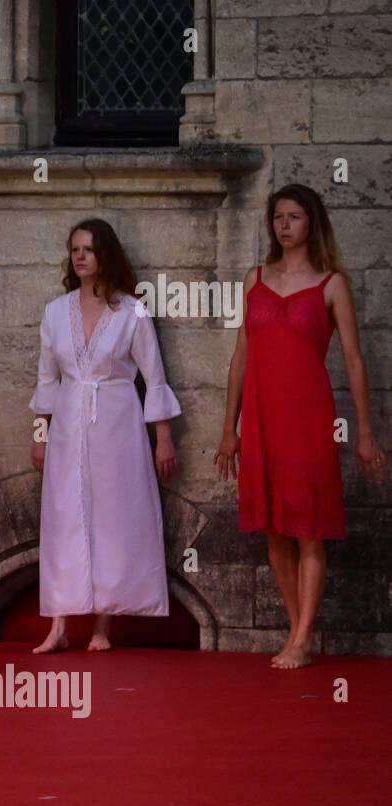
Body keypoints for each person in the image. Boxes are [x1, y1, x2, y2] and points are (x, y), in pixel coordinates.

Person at [215, 184, 386, 669]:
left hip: (309, 418)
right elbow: (240, 357)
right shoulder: (255, 279)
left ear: (313, 222)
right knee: (274, 529)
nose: (284, 225)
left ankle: (304, 636)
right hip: (263, 416)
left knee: (308, 527)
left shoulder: (332, 284)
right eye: (278, 217)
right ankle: (298, 630)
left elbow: (353, 360)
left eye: (294, 217)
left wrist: (366, 434)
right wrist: (230, 428)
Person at [30, 218, 180, 654]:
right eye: (75, 249)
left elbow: (153, 377)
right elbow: (45, 380)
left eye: (89, 249)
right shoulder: (56, 312)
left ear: (105, 255)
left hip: (117, 423)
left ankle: (102, 626)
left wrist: (164, 438)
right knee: (63, 517)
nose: (79, 256)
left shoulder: (132, 311)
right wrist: (40, 435)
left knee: (113, 515)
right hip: (68, 422)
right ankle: (58, 625)